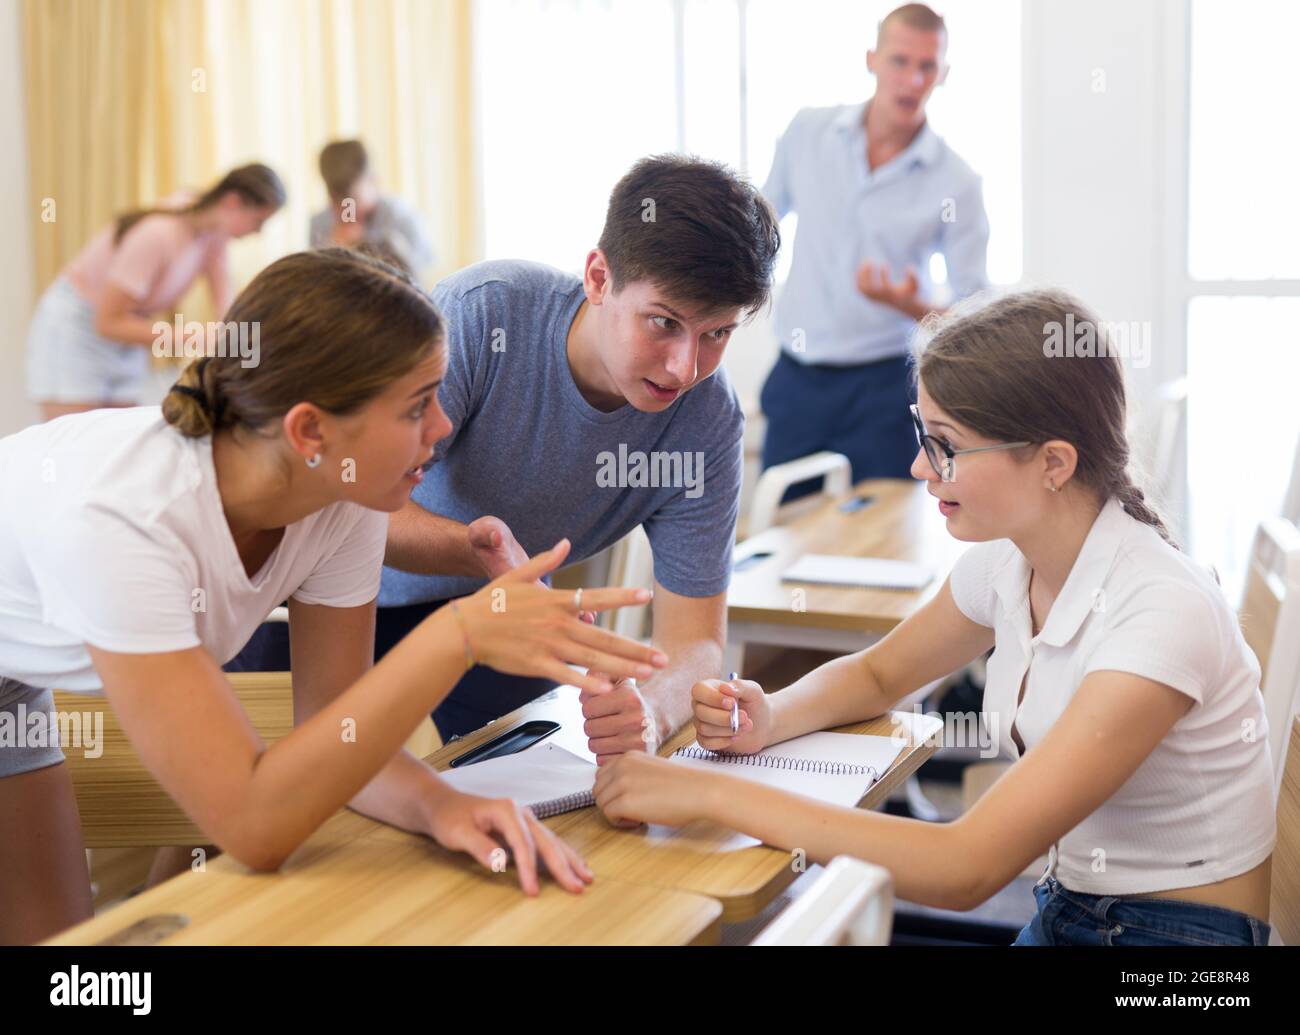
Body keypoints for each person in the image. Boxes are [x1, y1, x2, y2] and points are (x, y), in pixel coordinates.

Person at [0, 248, 662, 945]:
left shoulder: (343, 495)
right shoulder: (128, 522)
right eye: (416, 407)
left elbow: (336, 728)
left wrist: (442, 805)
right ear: (310, 431)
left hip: (16, 680)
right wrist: (460, 632)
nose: (442, 428)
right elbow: (253, 824)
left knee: (58, 958)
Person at [595, 289, 1276, 947]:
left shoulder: (1158, 609)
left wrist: (711, 794)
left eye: (946, 444)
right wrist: (771, 713)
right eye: (924, 433)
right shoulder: (1012, 562)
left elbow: (965, 867)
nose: (921, 465)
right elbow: (879, 671)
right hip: (1071, 908)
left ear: (1053, 463)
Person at [235, 155, 780, 759]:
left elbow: (695, 642)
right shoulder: (483, 316)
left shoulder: (707, 419)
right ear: (598, 279)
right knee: (230, 804)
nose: (685, 367)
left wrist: (651, 710)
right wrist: (474, 547)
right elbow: (333, 499)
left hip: (494, 607)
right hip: (325, 584)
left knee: (534, 780)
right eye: (663, 323)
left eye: (717, 334)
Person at [760, 3, 989, 493]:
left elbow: (972, 314)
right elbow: (759, 229)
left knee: (878, 537)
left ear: (943, 73)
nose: (911, 80)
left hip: (885, 389)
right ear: (872, 59)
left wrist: (909, 304)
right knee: (780, 532)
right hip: (797, 380)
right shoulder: (807, 133)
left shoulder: (958, 182)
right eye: (899, 61)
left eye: (926, 66)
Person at [26, 163, 285, 421]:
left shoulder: (212, 233)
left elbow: (226, 311)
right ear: (232, 202)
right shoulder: (157, 234)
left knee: (119, 439)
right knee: (75, 442)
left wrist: (244, 342)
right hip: (77, 328)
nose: (258, 232)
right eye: (258, 221)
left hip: (127, 329)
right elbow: (107, 323)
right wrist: (196, 338)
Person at [310, 139, 435, 277]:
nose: (345, 208)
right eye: (335, 200)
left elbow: (417, 281)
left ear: (374, 181)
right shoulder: (320, 223)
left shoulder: (400, 217)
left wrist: (363, 247)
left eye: (352, 199)